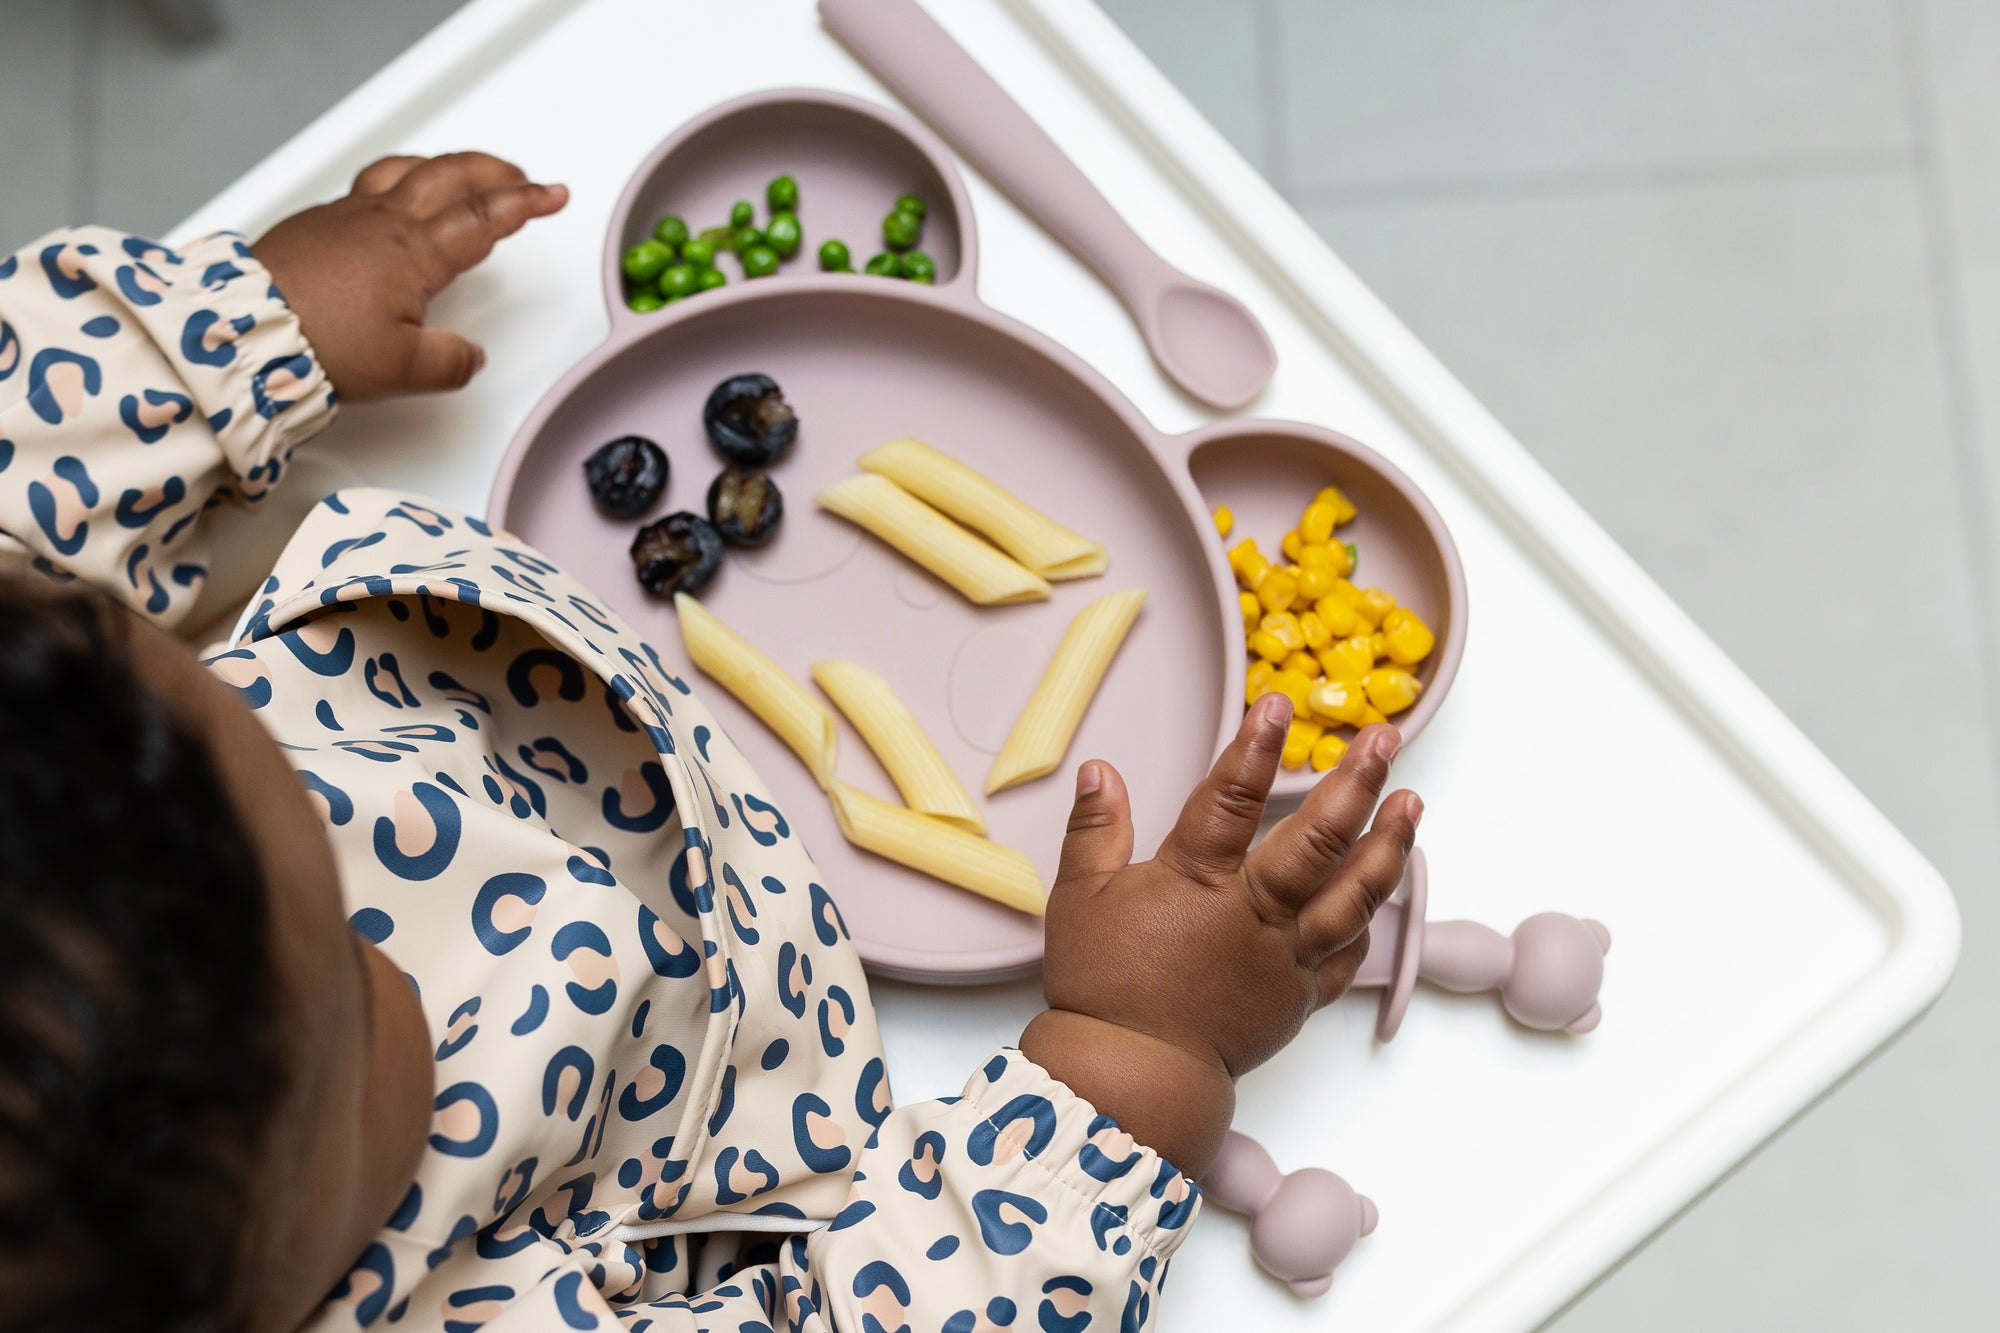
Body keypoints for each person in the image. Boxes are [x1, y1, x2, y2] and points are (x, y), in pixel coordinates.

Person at [0, 152, 1422, 1333]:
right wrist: (1140, 1053)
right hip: (744, 1071)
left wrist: (226, 341)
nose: (396, 940)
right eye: (361, 1008)